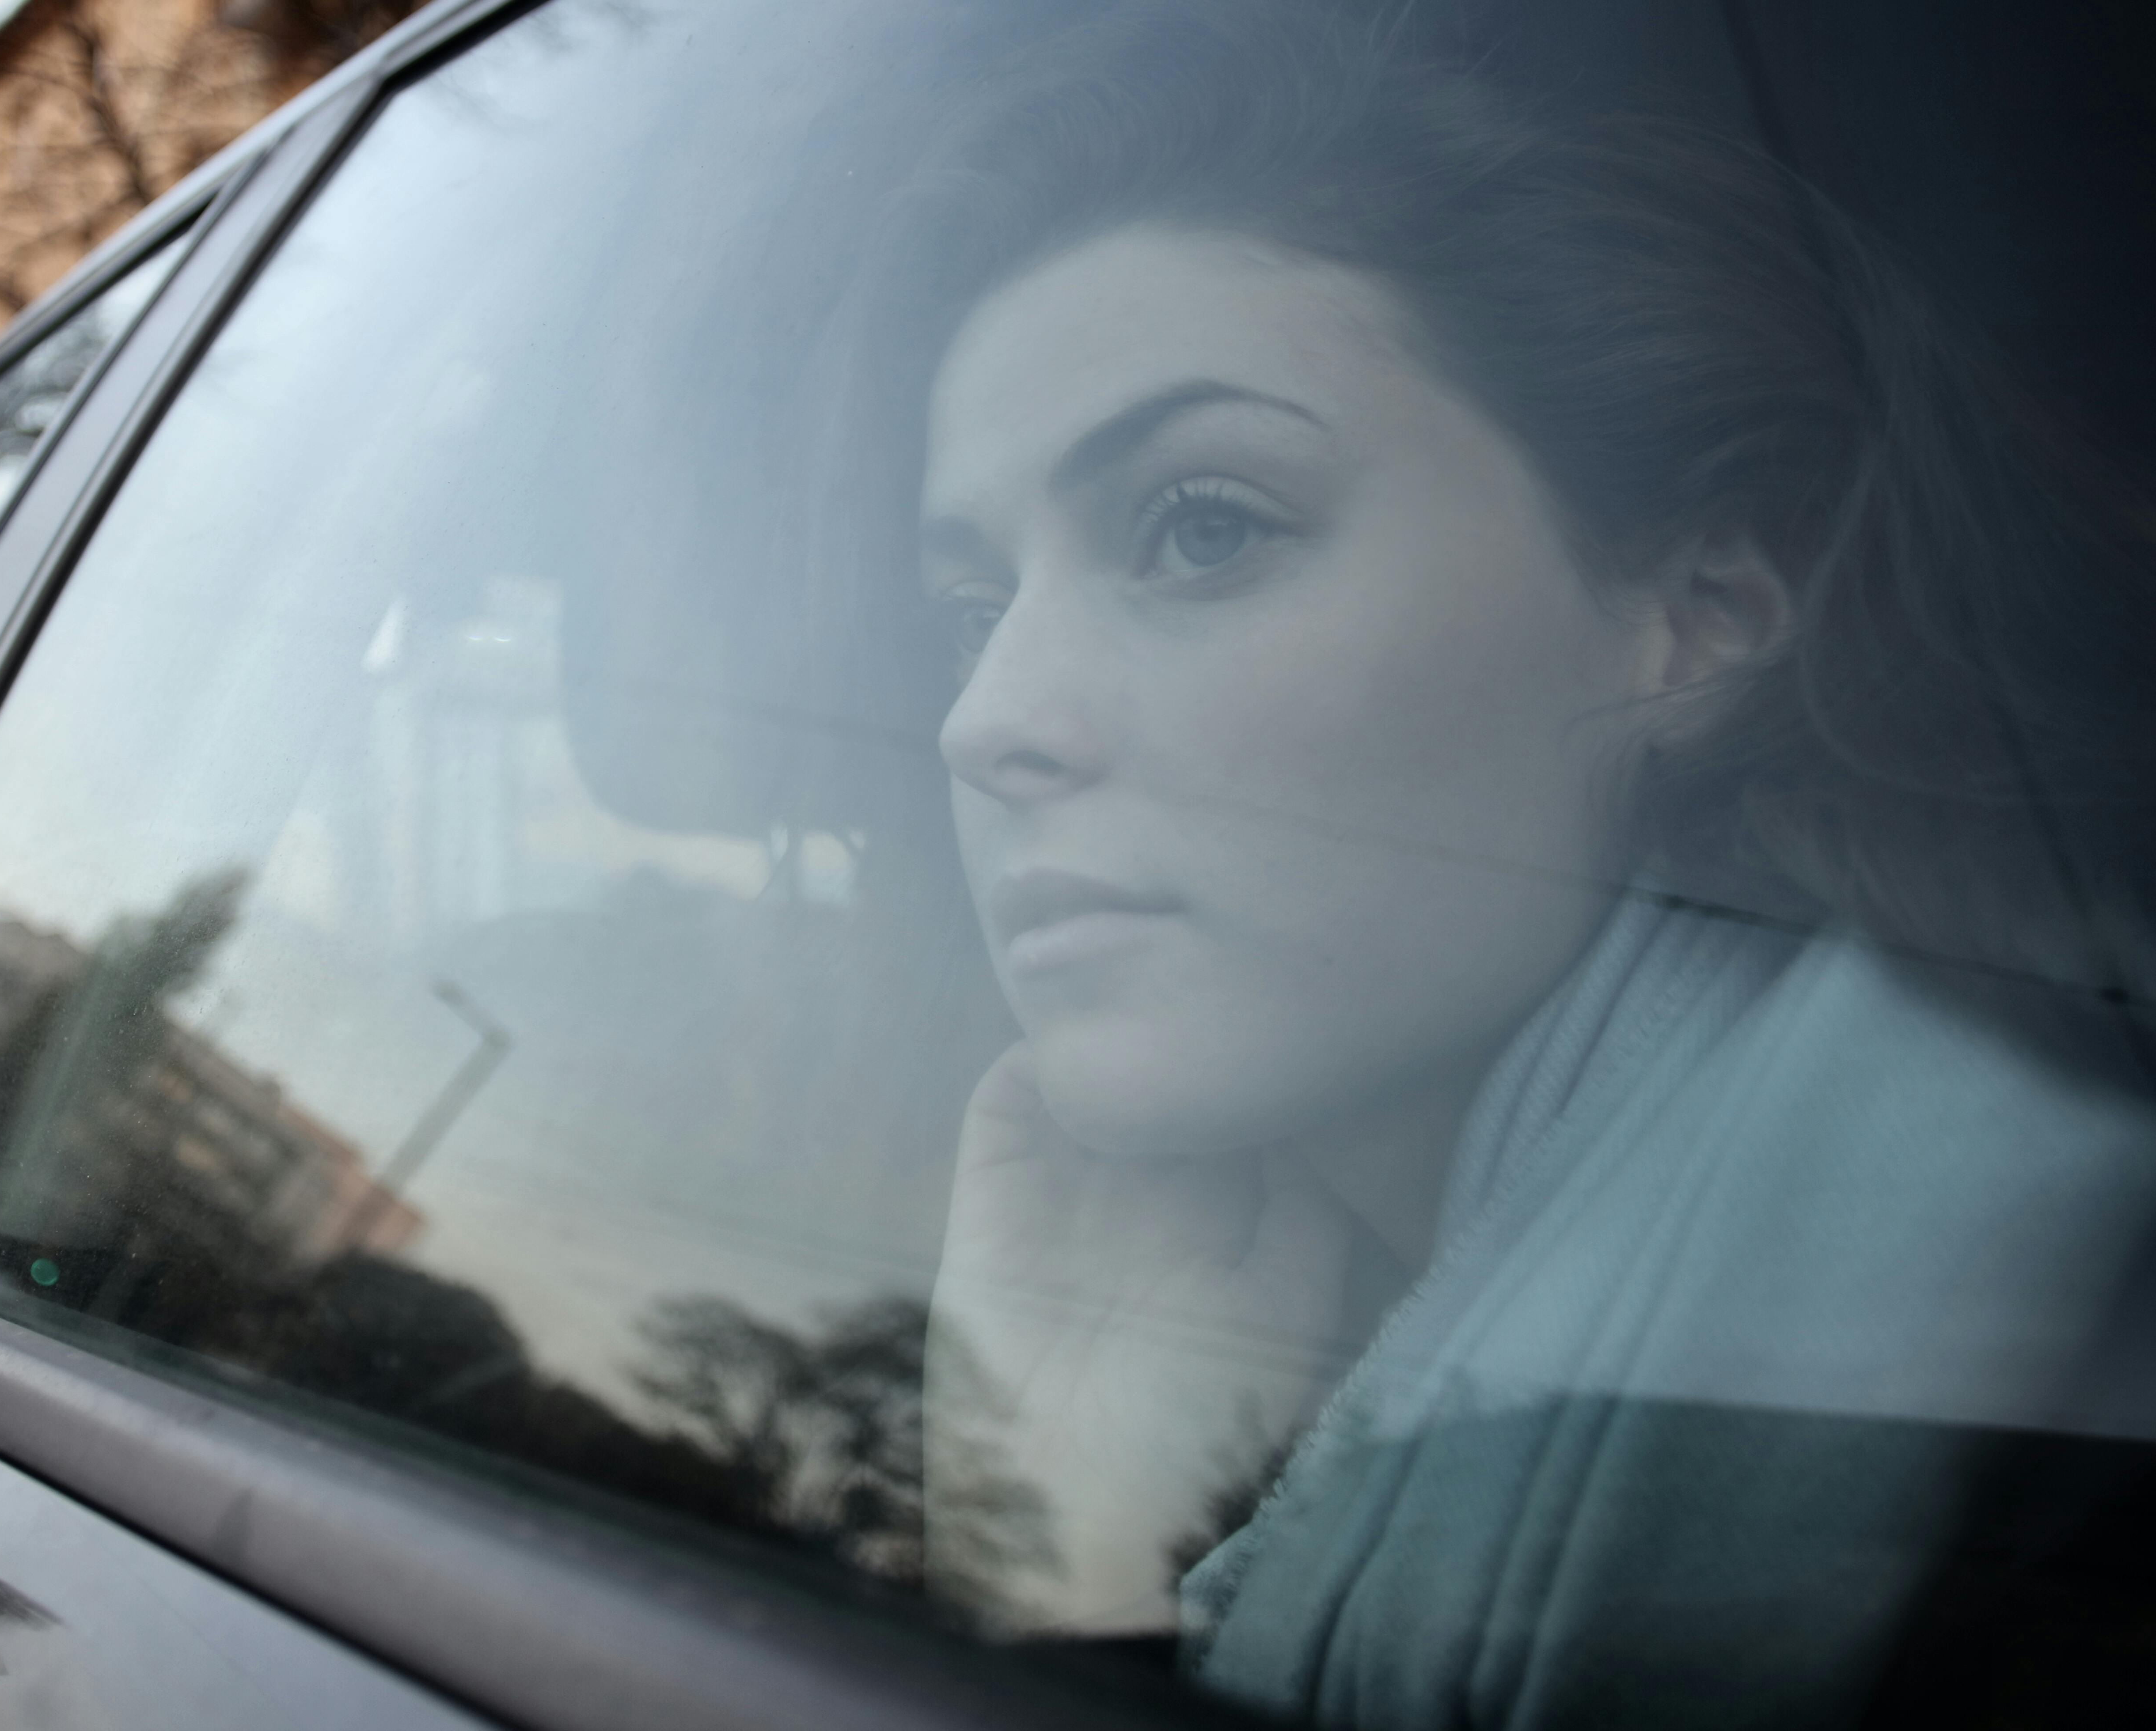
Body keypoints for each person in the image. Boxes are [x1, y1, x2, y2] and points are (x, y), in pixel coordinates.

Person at [808, 3, 2156, 1721]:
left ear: (1698, 611)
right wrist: (1071, 1517)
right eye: (967, 611)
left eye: (1201, 524)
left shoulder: (2053, 1473)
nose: (984, 721)